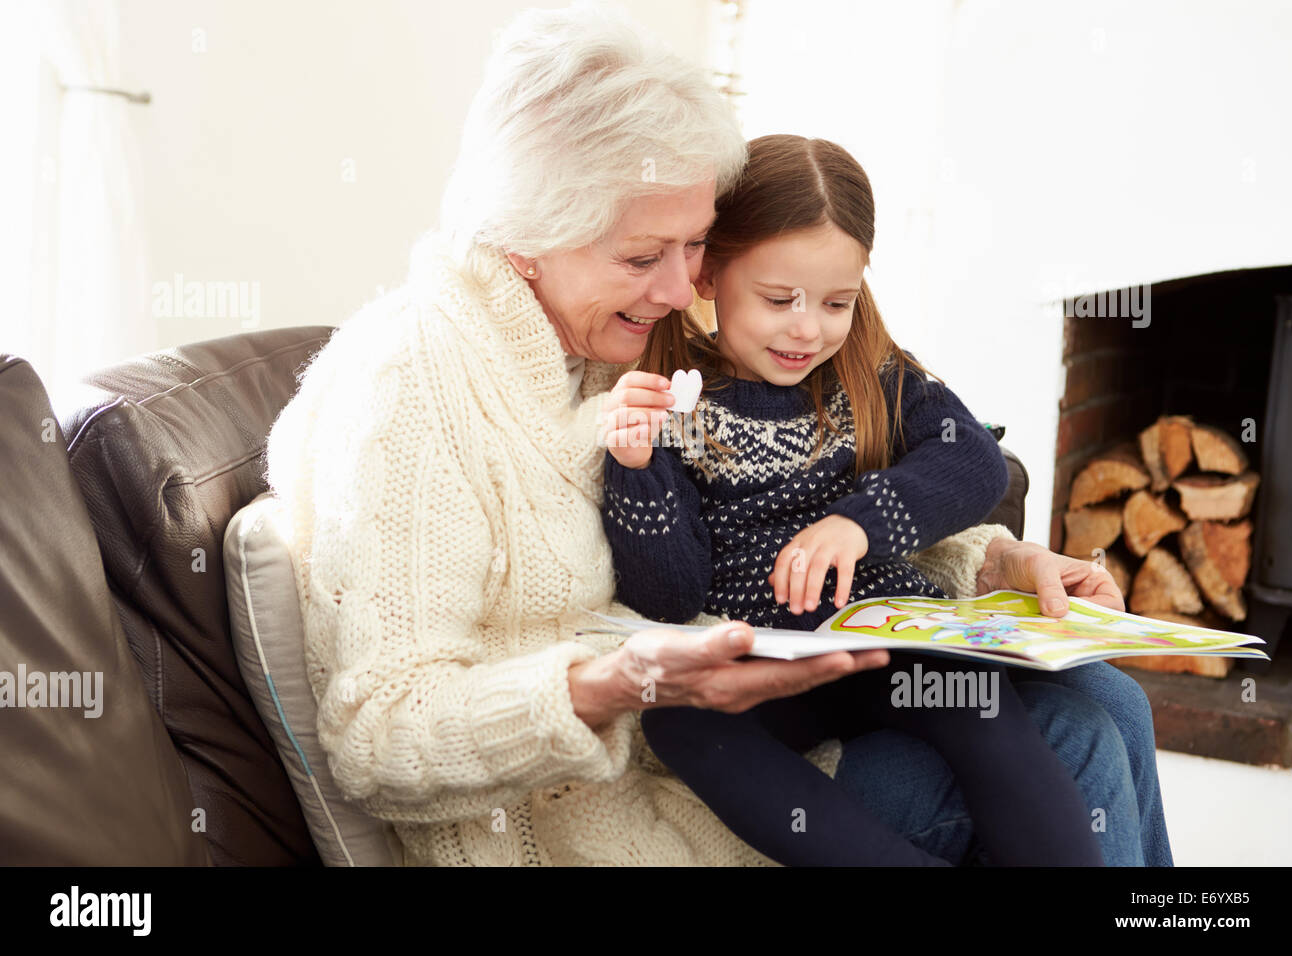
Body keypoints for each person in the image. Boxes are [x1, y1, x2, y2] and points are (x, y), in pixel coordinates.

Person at [264, 3, 1163, 866]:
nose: (680, 286)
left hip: (758, 713)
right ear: (527, 231)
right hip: (629, 818)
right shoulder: (409, 383)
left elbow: (798, 488)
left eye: (694, 246)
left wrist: (995, 563)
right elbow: (381, 737)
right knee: (1081, 728)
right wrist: (616, 684)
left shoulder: (612, 341)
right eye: (642, 256)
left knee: (1107, 697)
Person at [601, 133, 1103, 865]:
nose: (809, 328)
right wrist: (636, 470)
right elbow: (669, 597)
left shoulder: (875, 375)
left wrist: (857, 524)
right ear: (708, 275)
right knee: (680, 726)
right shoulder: (674, 404)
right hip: (766, 674)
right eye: (780, 300)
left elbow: (976, 460)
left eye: (837, 301)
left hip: (882, 648)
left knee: (975, 698)